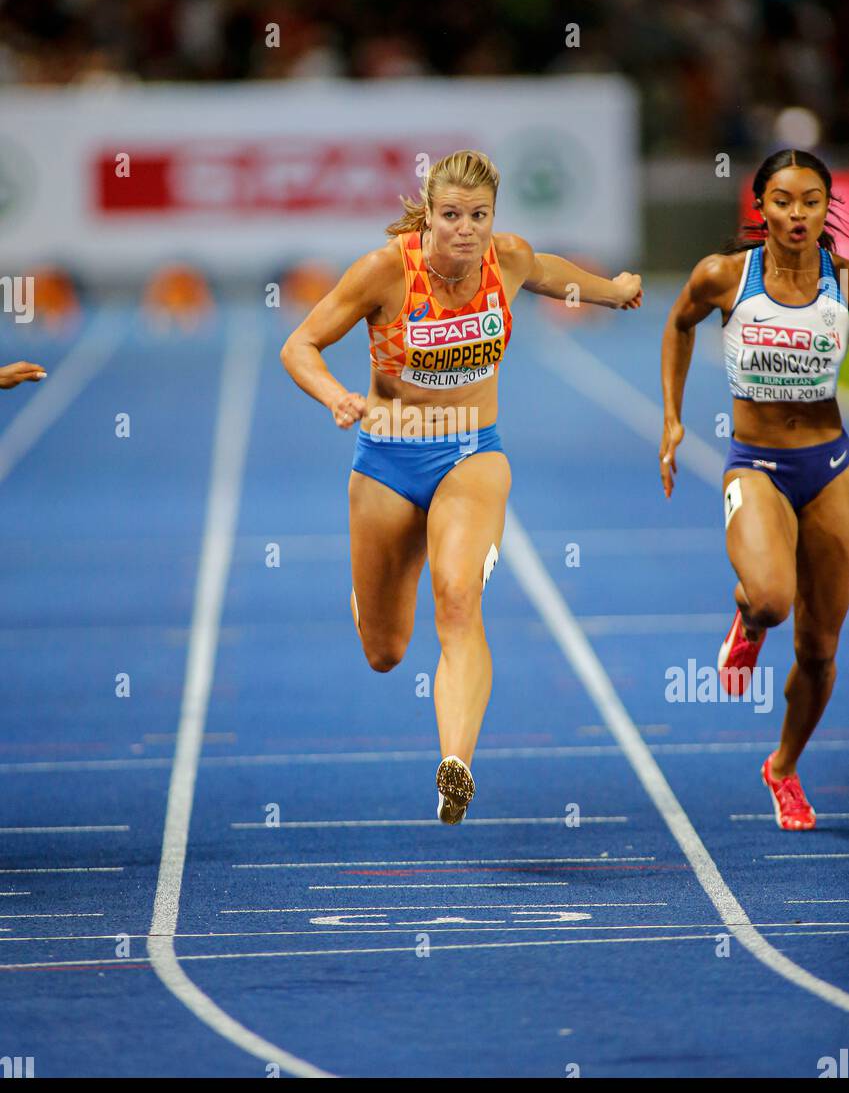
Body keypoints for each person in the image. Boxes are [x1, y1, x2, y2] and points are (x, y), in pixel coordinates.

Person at [281, 149, 642, 822]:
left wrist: (611, 290)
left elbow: (544, 271)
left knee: (456, 598)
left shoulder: (505, 258)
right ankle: (372, 597)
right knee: (385, 652)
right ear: (428, 214)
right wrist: (334, 396)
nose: (465, 230)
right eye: (451, 216)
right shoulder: (384, 270)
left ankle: (455, 763)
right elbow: (298, 345)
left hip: (472, 453)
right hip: (388, 459)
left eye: (478, 216)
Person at [660, 148, 849, 830]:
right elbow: (677, 324)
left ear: (826, 207)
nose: (796, 214)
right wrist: (674, 419)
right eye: (781, 201)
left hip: (829, 467)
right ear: (759, 207)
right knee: (772, 600)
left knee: (819, 648)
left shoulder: (841, 280)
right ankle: (746, 616)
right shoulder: (722, 277)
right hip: (755, 467)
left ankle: (782, 768)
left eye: (809, 201)